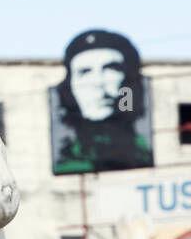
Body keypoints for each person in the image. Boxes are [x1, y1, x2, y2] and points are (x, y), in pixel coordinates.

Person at [51, 29, 154, 174]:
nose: (98, 83)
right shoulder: (67, 162)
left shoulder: (144, 154)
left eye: (111, 69)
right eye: (85, 72)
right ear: (69, 88)